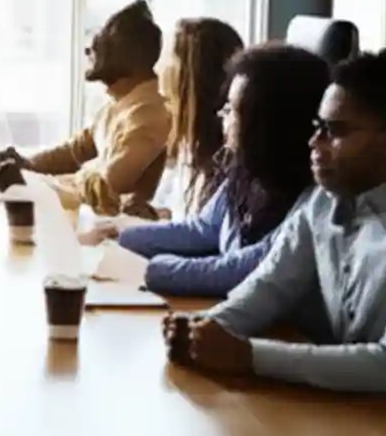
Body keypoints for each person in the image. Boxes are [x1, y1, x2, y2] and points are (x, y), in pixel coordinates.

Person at [165, 51, 386, 436]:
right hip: (365, 410)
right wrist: (204, 329)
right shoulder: (326, 197)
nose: (314, 143)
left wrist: (248, 356)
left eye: (334, 131)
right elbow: (268, 288)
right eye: (317, 127)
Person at [100, 44, 328, 297]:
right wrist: (119, 234)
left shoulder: (315, 199)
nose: (222, 117)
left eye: (232, 110)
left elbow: (243, 270)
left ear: (266, 122)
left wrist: (146, 270)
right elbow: (202, 230)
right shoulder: (245, 173)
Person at [1, 0, 172, 217]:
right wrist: (26, 166)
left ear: (129, 55)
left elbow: (107, 184)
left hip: (122, 229)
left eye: (106, 40)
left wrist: (42, 181)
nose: (91, 50)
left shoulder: (148, 115)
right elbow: (76, 150)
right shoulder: (120, 103)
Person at [155, 18, 244, 217]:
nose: (157, 70)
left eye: (168, 59)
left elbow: (198, 230)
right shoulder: (187, 150)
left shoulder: (224, 169)